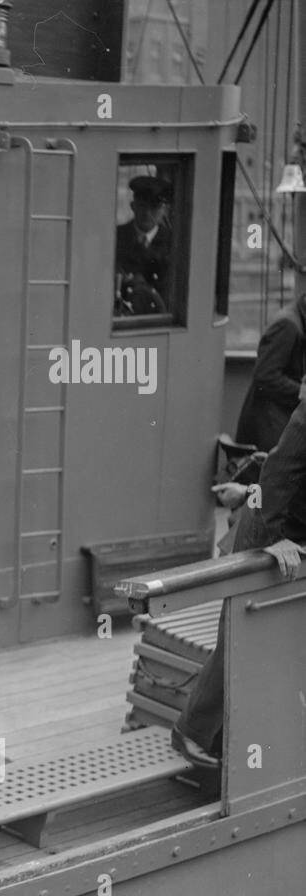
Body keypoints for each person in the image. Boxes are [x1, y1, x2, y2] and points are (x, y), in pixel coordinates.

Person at [172, 399, 306, 769]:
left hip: (299, 537)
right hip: (272, 531)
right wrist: (273, 539)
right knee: (239, 636)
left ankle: (229, 737)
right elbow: (278, 474)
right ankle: (192, 732)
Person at [234, 292, 306, 455]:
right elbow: (265, 375)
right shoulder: (288, 325)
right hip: (268, 425)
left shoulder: (296, 320)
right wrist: (301, 391)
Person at [114, 175, 173, 316]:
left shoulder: (175, 243)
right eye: (142, 206)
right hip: (121, 320)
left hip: (160, 322)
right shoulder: (116, 237)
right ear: (133, 206)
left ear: (164, 210)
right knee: (76, 338)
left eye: (154, 207)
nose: (147, 213)